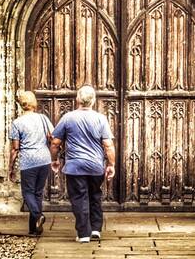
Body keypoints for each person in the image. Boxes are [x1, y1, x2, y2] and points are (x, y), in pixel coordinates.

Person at [52, 85, 115, 243]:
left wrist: (55, 159)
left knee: (79, 198)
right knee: (95, 196)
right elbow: (108, 145)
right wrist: (111, 164)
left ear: (78, 99)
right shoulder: (101, 118)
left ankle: (84, 233)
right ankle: (96, 229)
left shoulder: (68, 118)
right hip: (95, 166)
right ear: (93, 101)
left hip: (75, 166)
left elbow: (55, 143)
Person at [7, 90, 54, 235]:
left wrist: (10, 168)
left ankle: (38, 216)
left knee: (27, 192)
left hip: (28, 161)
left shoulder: (17, 123)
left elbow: (15, 148)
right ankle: (34, 229)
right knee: (38, 193)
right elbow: (52, 136)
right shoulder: (43, 118)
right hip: (44, 159)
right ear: (34, 103)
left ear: (21, 104)